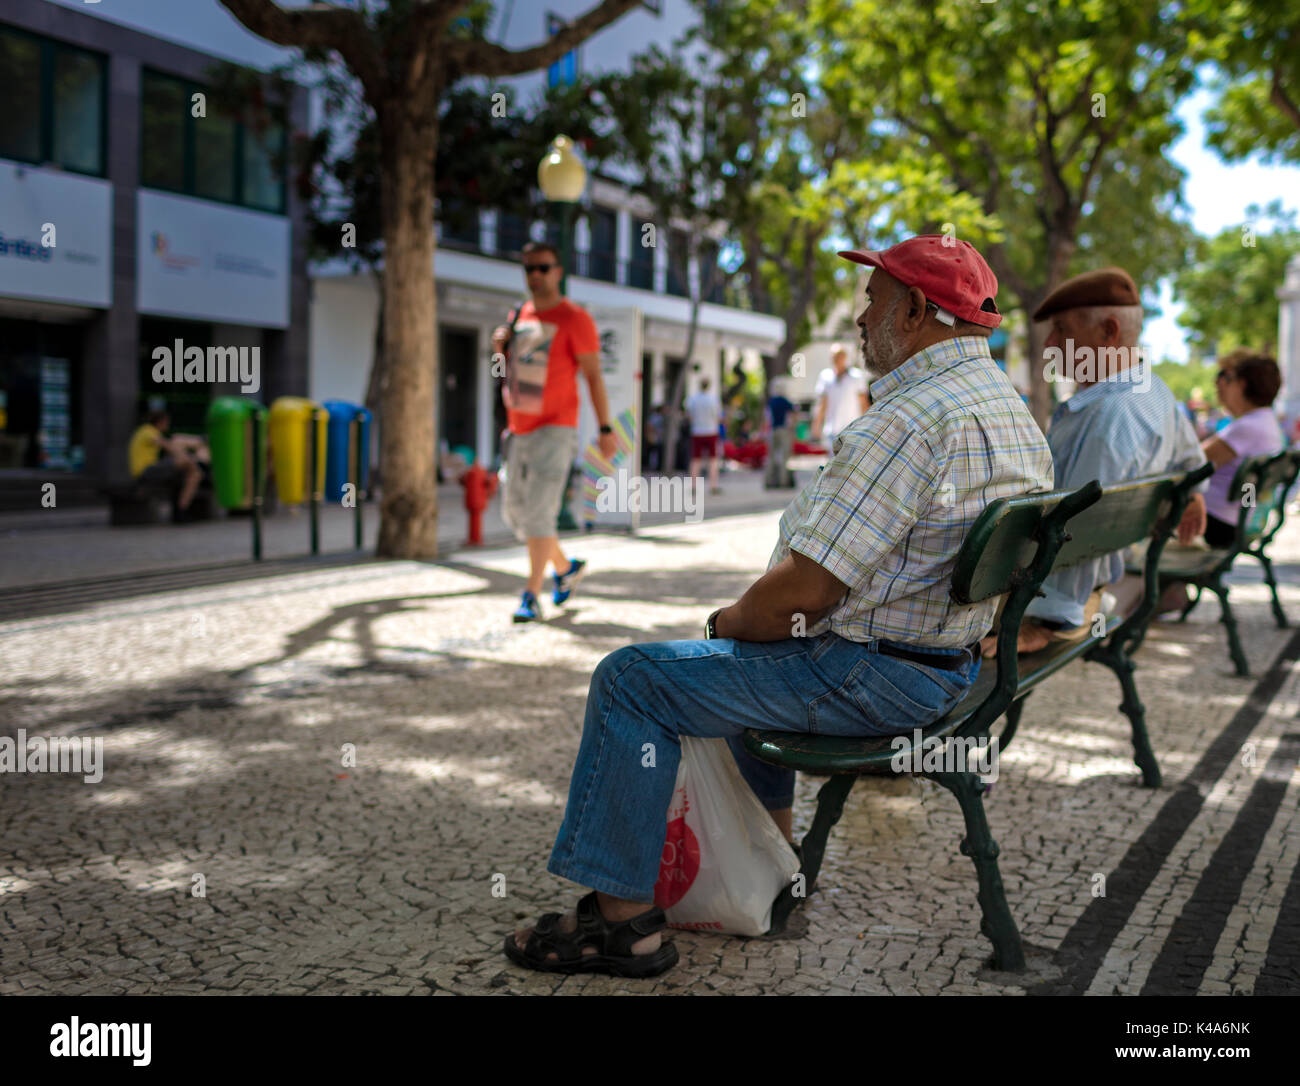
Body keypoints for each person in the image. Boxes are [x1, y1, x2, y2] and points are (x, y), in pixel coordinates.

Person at [502, 234, 1054, 978]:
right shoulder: (1012, 414)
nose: (862, 316)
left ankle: (620, 924)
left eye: (874, 300)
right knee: (748, 655)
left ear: (918, 311)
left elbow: (805, 594)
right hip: (949, 669)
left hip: (872, 676)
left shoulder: (908, 421)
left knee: (634, 677)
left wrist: (724, 626)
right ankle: (777, 859)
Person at [981, 267, 1207, 657]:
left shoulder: (1108, 421)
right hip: (1088, 587)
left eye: (1063, 330)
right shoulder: (1154, 392)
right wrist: (1194, 495)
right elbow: (1193, 460)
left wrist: (1047, 621)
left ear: (1108, 332)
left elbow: (1076, 531)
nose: (1051, 342)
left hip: (1061, 604)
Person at [492, 241, 617, 623]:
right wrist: (499, 349)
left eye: (543, 267)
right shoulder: (519, 315)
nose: (535, 275)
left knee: (538, 513)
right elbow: (505, 373)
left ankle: (531, 595)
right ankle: (563, 568)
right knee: (516, 515)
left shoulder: (575, 318)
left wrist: (606, 428)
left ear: (558, 271)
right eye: (528, 268)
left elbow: (594, 377)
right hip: (518, 430)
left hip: (556, 428)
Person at [1197, 350, 1284, 547]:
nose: (1219, 384)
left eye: (1226, 377)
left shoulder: (1247, 427)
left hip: (1219, 522)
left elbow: (1193, 461)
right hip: (1240, 519)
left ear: (1242, 384)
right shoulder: (1267, 421)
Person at [127, 409, 208, 520]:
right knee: (192, 469)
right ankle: (181, 510)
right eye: (167, 422)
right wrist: (188, 456)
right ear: (161, 421)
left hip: (150, 469)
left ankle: (181, 509)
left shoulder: (146, 431)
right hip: (146, 471)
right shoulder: (148, 431)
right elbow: (167, 445)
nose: (168, 424)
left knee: (192, 472)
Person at [810, 343, 869, 446]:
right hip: (832, 430)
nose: (836, 359)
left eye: (839, 356)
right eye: (834, 356)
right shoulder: (825, 377)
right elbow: (823, 404)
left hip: (852, 429)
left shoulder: (856, 376)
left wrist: (867, 425)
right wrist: (816, 426)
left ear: (845, 357)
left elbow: (863, 403)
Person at [685, 377, 724, 495]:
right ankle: (713, 486)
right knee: (713, 460)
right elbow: (719, 417)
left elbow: (689, 416)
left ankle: (693, 486)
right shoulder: (713, 400)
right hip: (711, 432)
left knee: (696, 460)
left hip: (697, 432)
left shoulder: (692, 399)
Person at [764, 378, 797, 489]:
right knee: (784, 456)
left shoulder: (772, 401)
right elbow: (793, 414)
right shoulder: (785, 401)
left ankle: (769, 481)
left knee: (771, 456)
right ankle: (783, 481)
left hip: (772, 430)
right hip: (783, 429)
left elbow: (767, 417)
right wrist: (793, 428)